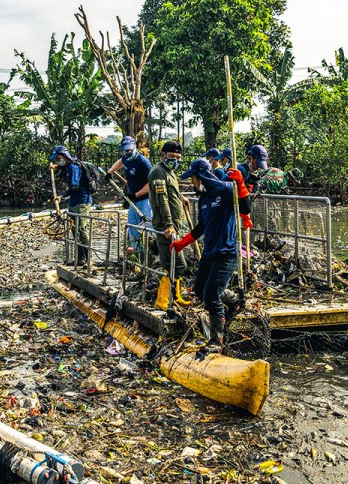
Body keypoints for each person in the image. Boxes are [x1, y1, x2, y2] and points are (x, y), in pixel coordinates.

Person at [170, 159, 250, 351]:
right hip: (209, 252)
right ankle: (235, 301)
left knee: (211, 296)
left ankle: (216, 341)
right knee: (199, 291)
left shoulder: (226, 189)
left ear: (202, 177)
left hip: (226, 252)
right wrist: (182, 242)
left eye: (193, 178)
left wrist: (241, 185)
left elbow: (245, 208)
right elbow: (201, 227)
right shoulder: (204, 199)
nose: (192, 183)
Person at [105, 136, 153, 256]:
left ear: (135, 147)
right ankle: (137, 253)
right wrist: (110, 172)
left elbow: (151, 183)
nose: (128, 152)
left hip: (145, 200)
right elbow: (121, 161)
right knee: (132, 226)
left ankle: (150, 255)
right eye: (125, 150)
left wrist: (135, 195)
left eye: (130, 150)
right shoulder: (126, 158)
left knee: (147, 228)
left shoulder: (143, 163)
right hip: (133, 200)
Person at [49, 145, 94, 268]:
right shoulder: (68, 164)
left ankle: (89, 258)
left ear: (64, 156)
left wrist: (61, 196)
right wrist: (56, 167)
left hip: (82, 201)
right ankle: (80, 259)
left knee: (80, 229)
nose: (58, 160)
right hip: (73, 202)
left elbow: (74, 187)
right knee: (74, 230)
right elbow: (63, 166)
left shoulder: (74, 167)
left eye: (58, 158)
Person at [148, 140, 187, 273]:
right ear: (163, 155)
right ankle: (167, 294)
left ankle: (174, 293)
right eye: (172, 156)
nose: (175, 160)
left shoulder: (169, 171)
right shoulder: (158, 172)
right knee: (176, 266)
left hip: (175, 226)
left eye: (178, 158)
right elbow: (162, 199)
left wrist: (181, 198)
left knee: (174, 266)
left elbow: (170, 192)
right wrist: (169, 225)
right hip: (167, 229)